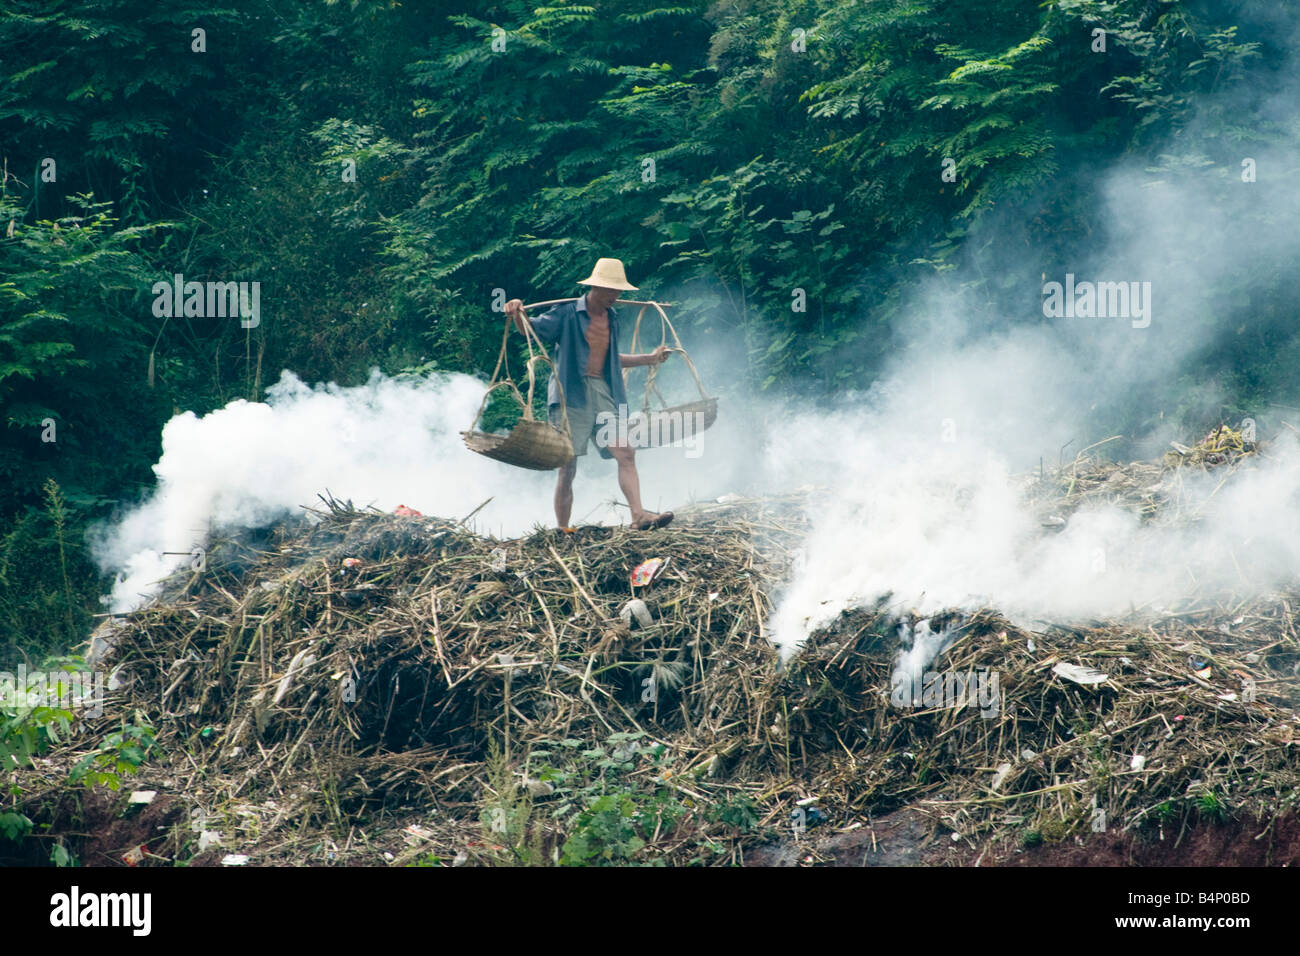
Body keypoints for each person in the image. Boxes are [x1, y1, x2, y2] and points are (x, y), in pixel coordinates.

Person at [505, 257, 675, 532]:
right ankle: (563, 529)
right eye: (611, 291)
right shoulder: (567, 313)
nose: (616, 297)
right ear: (596, 287)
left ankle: (639, 516)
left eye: (619, 292)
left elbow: (610, 359)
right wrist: (516, 313)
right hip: (571, 393)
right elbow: (530, 328)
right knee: (567, 465)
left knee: (626, 452)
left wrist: (650, 358)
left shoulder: (612, 318)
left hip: (604, 392)